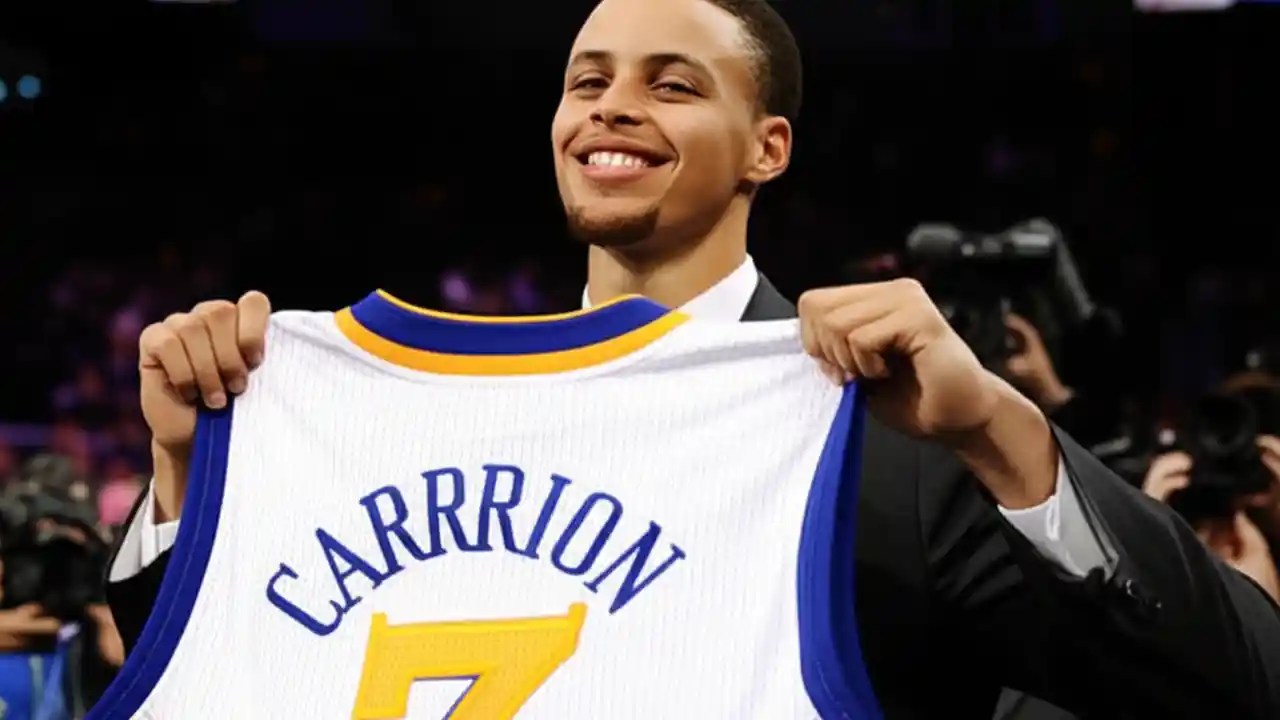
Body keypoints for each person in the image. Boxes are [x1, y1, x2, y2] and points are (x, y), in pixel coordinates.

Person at [105, 0, 1280, 717]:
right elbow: (229, 667)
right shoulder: (404, 410)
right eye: (587, 80)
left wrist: (1000, 434)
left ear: (766, 147)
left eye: (672, 84)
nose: (611, 108)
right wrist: (185, 476)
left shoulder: (887, 437)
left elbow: (1238, 687)